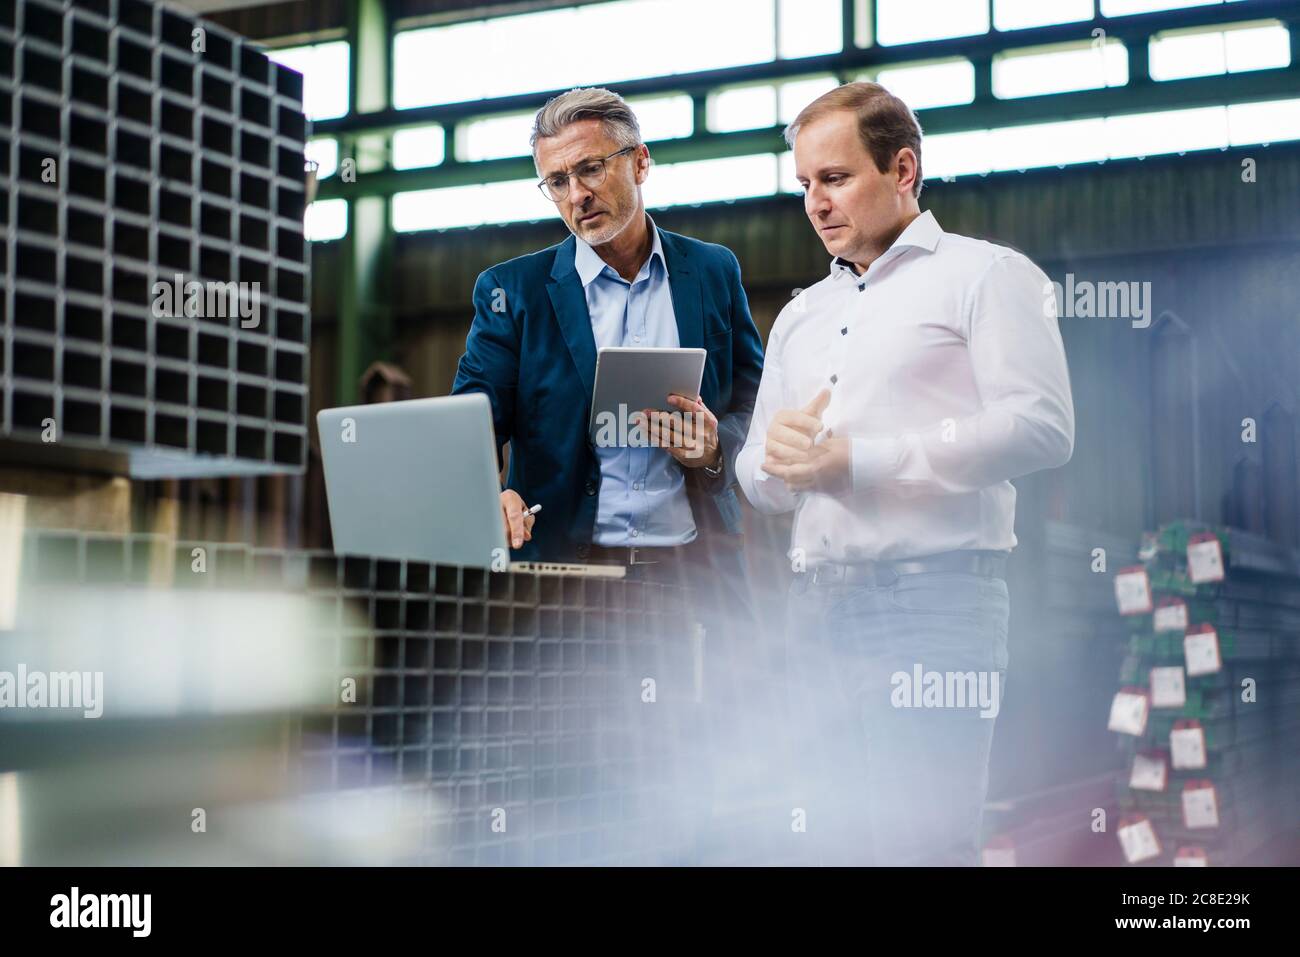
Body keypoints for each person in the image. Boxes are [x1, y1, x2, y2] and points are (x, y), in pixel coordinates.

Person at [735, 82, 1075, 865]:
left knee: (921, 844)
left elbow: (1042, 426)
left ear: (903, 169)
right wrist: (778, 463)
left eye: (836, 177)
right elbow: (760, 475)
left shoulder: (985, 277)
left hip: (935, 602)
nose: (816, 203)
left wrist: (861, 460)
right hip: (814, 609)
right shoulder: (799, 316)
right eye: (804, 185)